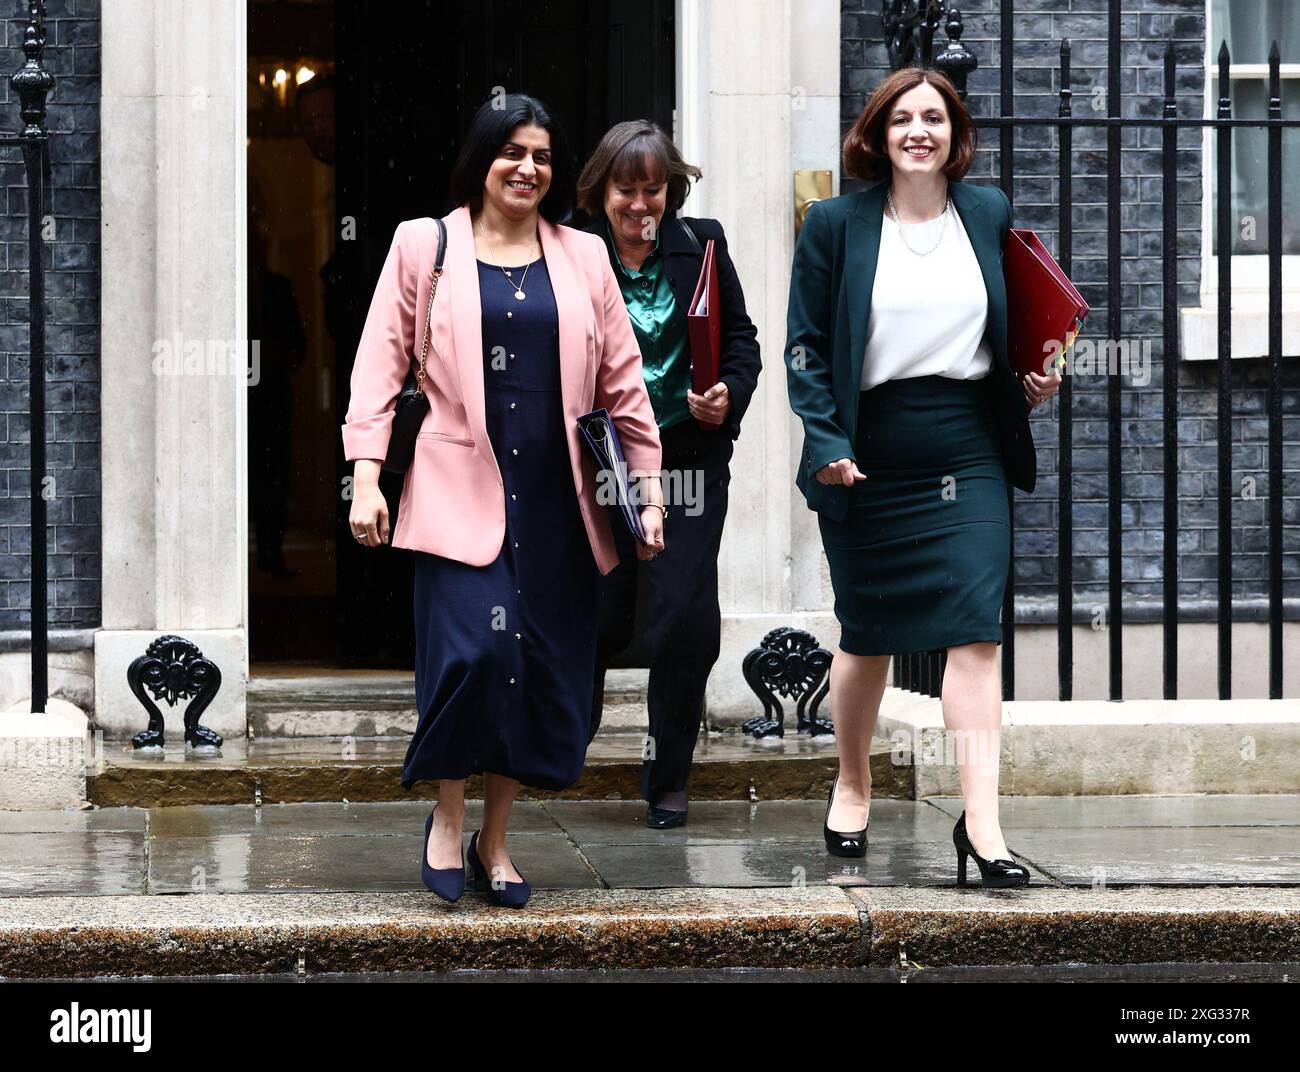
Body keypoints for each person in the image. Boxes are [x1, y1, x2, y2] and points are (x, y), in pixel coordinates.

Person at [342, 94, 664, 907]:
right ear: (482, 158)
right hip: (458, 493)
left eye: (542, 156)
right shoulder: (426, 244)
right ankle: (448, 815)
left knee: (534, 665)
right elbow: (379, 364)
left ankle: (496, 838)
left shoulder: (584, 255)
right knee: (475, 657)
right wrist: (367, 476)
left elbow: (623, 381)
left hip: (557, 501)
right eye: (512, 152)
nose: (527, 168)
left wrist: (649, 492)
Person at [783, 67, 1061, 887]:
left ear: (954, 133)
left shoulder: (987, 212)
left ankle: (983, 825)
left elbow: (1011, 327)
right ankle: (852, 779)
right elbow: (805, 348)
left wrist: (1032, 376)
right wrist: (825, 440)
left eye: (933, 118)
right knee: (867, 633)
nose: (918, 131)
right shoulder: (834, 224)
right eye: (902, 118)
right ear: (878, 133)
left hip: (968, 445)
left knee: (975, 631)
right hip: (869, 450)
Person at [576, 121, 761, 829]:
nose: (639, 204)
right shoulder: (573, 251)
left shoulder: (702, 244)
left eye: (652, 189)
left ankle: (668, 776)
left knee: (684, 617)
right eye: (626, 189)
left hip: (687, 460)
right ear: (602, 191)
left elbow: (740, 341)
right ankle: (567, 742)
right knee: (598, 610)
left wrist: (727, 395)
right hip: (601, 459)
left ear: (670, 191)